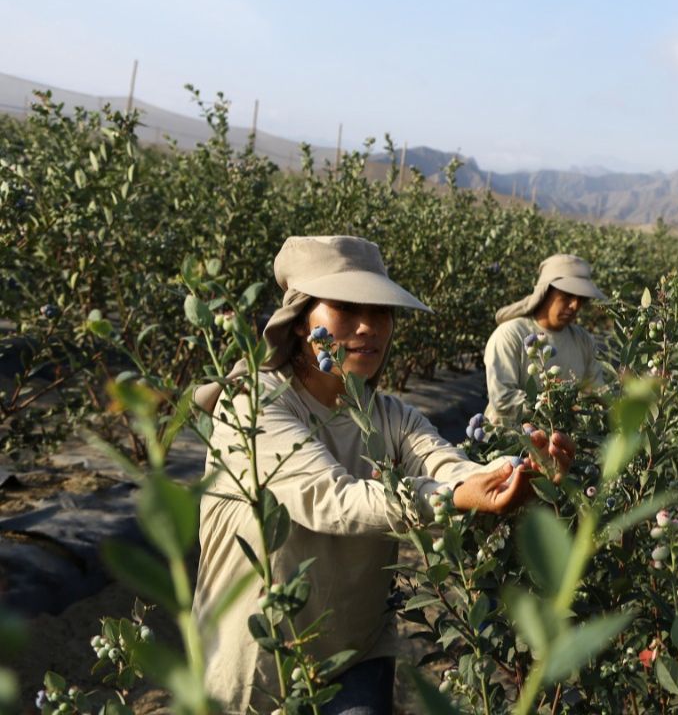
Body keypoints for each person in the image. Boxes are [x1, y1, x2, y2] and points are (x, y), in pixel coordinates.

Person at [191, 236, 572, 714]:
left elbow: (446, 465)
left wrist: (514, 470)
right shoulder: (252, 405)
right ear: (299, 320)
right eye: (346, 308)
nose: (369, 326)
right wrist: (452, 497)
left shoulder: (389, 415)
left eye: (381, 311)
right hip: (262, 658)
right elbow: (330, 498)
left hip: (357, 651)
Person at [483, 254, 605, 427]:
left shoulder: (583, 340)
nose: (574, 306)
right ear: (545, 292)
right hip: (512, 438)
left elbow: (596, 393)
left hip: (563, 440)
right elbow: (503, 399)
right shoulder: (511, 334)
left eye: (581, 299)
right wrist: (556, 408)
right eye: (567, 296)